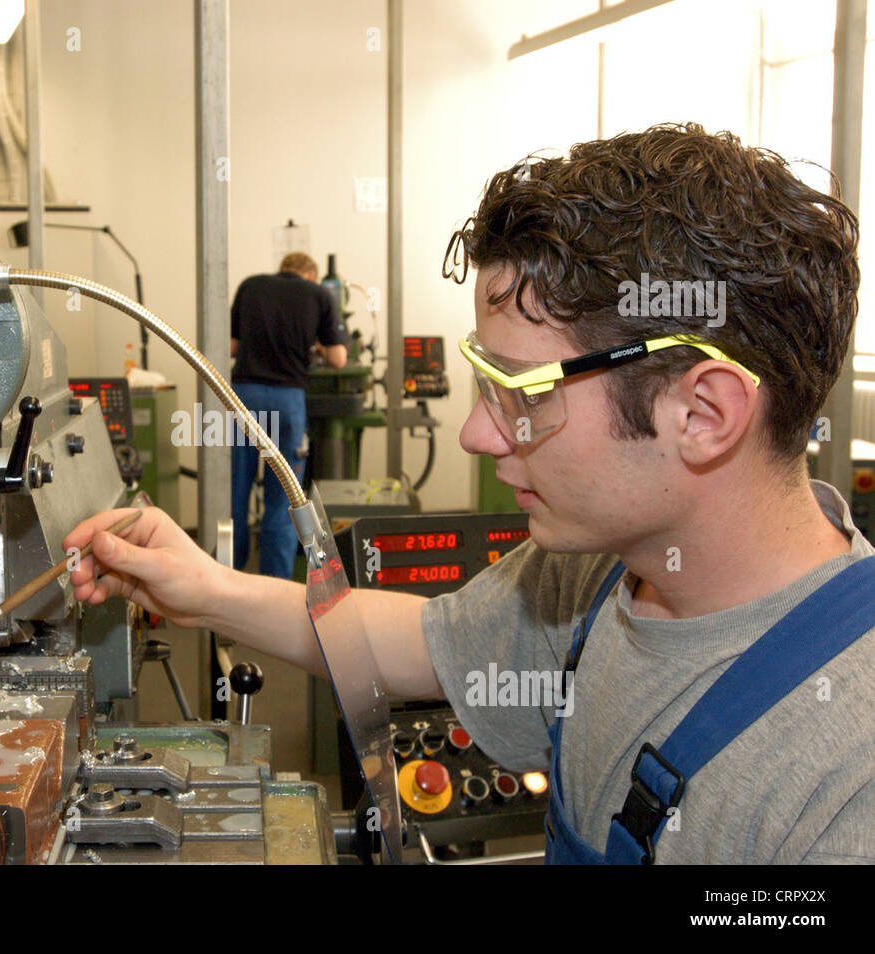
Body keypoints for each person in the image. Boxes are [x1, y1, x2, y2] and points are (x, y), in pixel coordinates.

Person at [64, 124, 874, 863]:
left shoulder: (845, 773)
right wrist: (202, 588)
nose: (479, 436)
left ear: (703, 414)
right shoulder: (595, 581)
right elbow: (419, 643)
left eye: (524, 393)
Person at [228, 251, 347, 578]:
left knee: (236, 495)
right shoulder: (319, 294)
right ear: (310, 274)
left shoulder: (250, 286)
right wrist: (318, 346)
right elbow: (338, 359)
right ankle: (274, 585)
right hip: (287, 402)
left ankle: (228, 575)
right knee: (282, 505)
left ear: (281, 270)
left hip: (244, 399)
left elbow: (230, 348)